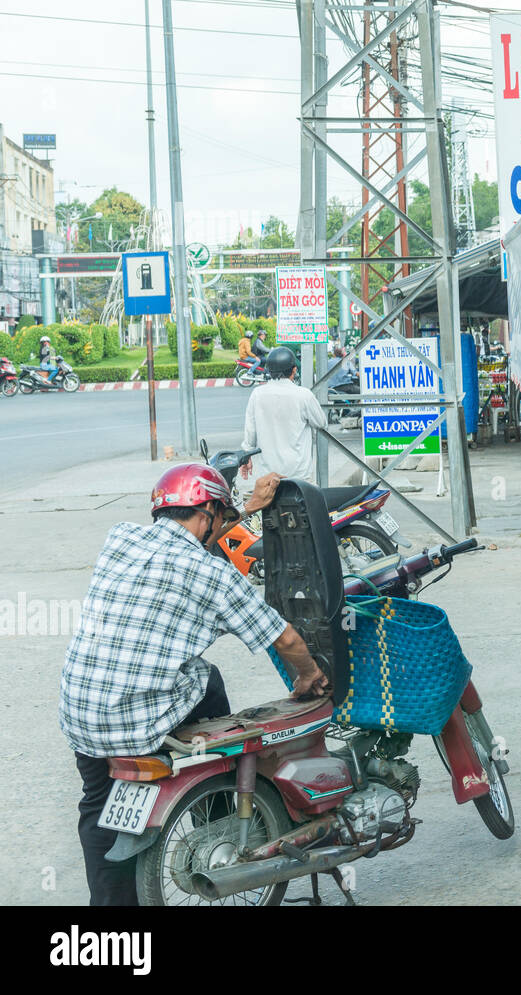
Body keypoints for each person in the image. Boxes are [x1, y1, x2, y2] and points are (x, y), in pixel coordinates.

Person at [59, 463, 329, 905]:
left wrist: (246, 508)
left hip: (82, 713)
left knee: (96, 806)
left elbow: (193, 534)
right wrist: (307, 675)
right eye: (220, 517)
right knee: (208, 680)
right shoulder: (215, 577)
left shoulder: (121, 538)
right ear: (207, 511)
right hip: (137, 721)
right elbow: (284, 638)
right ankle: (223, 812)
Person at [242, 345, 327, 482]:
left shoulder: (257, 394)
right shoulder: (303, 395)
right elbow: (321, 422)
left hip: (268, 474)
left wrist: (246, 458)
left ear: (269, 371)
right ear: (294, 370)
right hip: (299, 474)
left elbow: (250, 434)